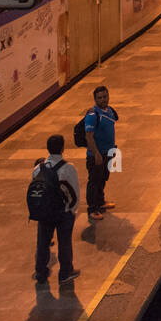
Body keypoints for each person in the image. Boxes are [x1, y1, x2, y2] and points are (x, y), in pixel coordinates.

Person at [32, 134, 80, 285]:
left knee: (42, 243)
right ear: (62, 148)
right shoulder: (68, 168)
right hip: (62, 212)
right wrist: (71, 209)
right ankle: (65, 273)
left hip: (44, 212)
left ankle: (41, 273)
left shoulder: (38, 168)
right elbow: (75, 193)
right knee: (64, 242)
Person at [84, 85, 120, 220]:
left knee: (103, 178)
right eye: (100, 98)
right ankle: (92, 209)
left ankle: (100, 202)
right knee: (94, 181)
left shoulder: (109, 111)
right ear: (95, 99)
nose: (103, 99)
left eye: (105, 96)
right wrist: (96, 153)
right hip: (96, 155)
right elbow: (89, 136)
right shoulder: (93, 115)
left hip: (108, 152)